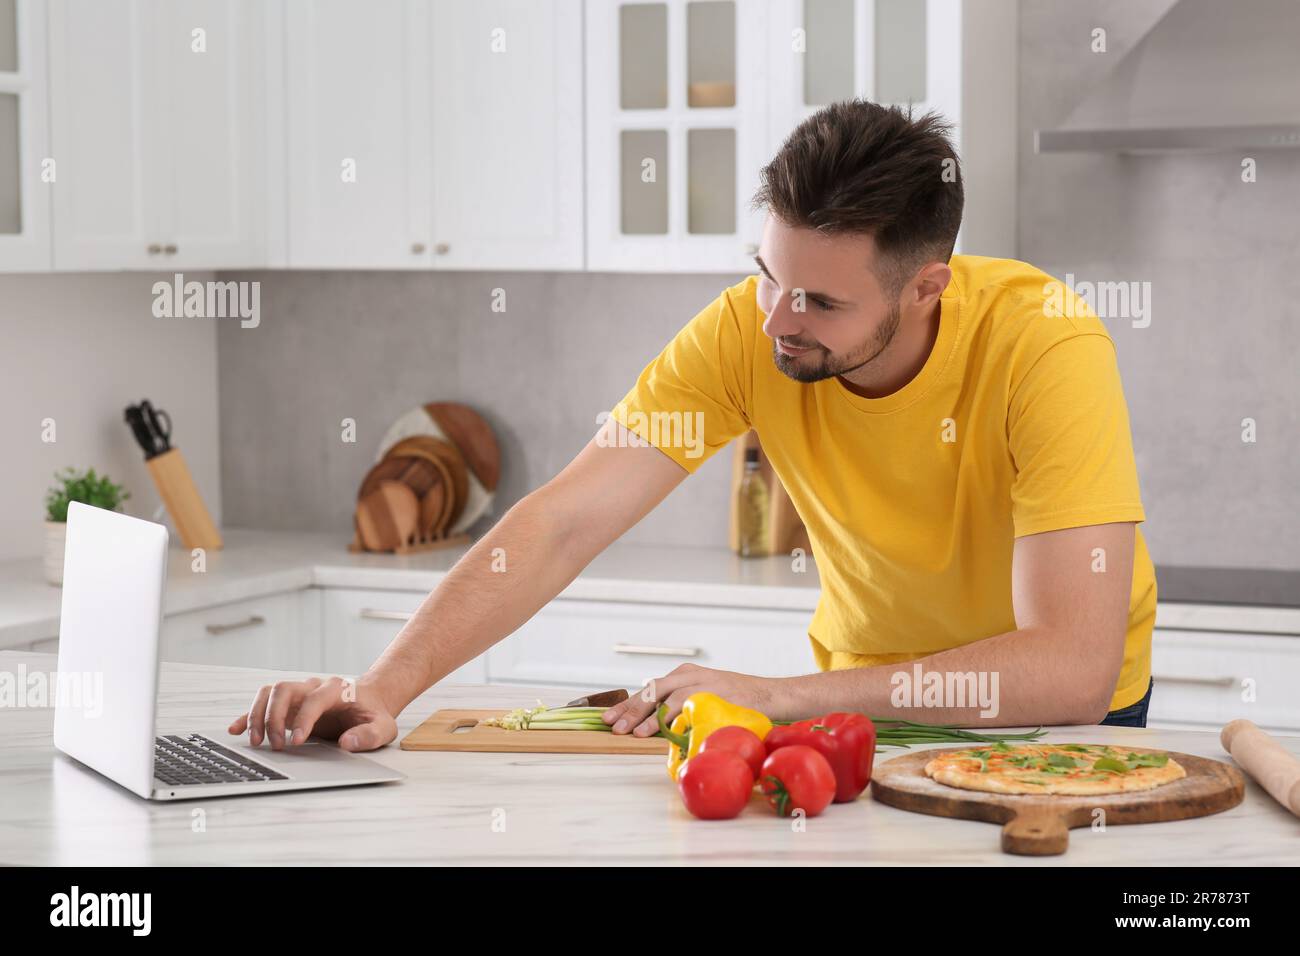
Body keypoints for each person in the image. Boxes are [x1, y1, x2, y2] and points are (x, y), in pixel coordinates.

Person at [228, 100, 1156, 753]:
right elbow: (561, 524)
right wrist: (380, 687)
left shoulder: (1045, 344)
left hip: (1052, 728)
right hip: (862, 708)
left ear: (926, 288)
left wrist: (781, 698)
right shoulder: (746, 335)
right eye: (768, 274)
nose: (779, 319)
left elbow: (1069, 665)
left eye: (820, 300)